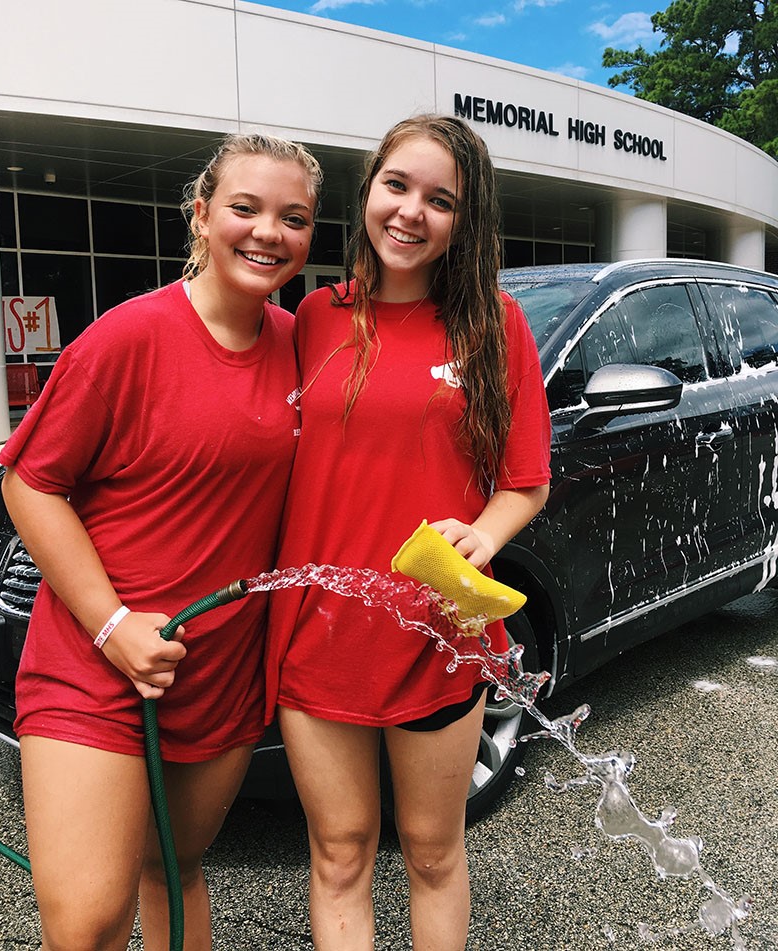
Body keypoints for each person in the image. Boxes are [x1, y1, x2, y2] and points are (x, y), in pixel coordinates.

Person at [0, 132, 322, 950]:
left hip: (219, 674)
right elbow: (27, 482)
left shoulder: (301, 345)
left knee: (172, 870)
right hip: (96, 659)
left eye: (294, 218)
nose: (268, 232)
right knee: (87, 925)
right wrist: (113, 625)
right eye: (245, 208)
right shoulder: (128, 337)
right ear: (201, 214)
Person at [265, 114, 551, 950]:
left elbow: (525, 479)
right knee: (339, 850)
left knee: (431, 851)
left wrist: (485, 534)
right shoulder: (314, 316)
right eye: (397, 185)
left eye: (441, 200)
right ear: (369, 191)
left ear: (466, 218)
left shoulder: (493, 323)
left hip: (439, 631)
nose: (411, 212)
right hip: (318, 632)